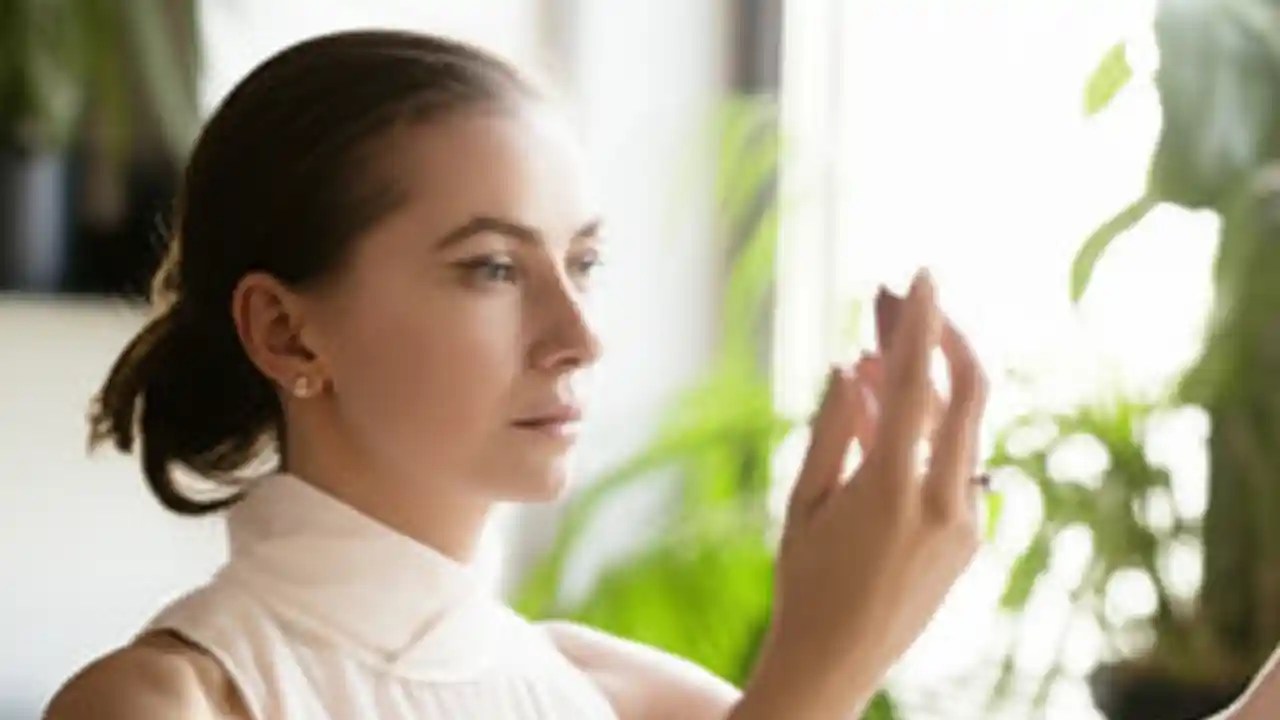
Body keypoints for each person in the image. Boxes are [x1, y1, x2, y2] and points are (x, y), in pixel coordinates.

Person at [36, 29, 1274, 720]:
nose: (580, 333)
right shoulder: (168, 705)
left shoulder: (602, 687)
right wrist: (812, 677)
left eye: (583, 260)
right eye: (490, 269)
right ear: (287, 334)